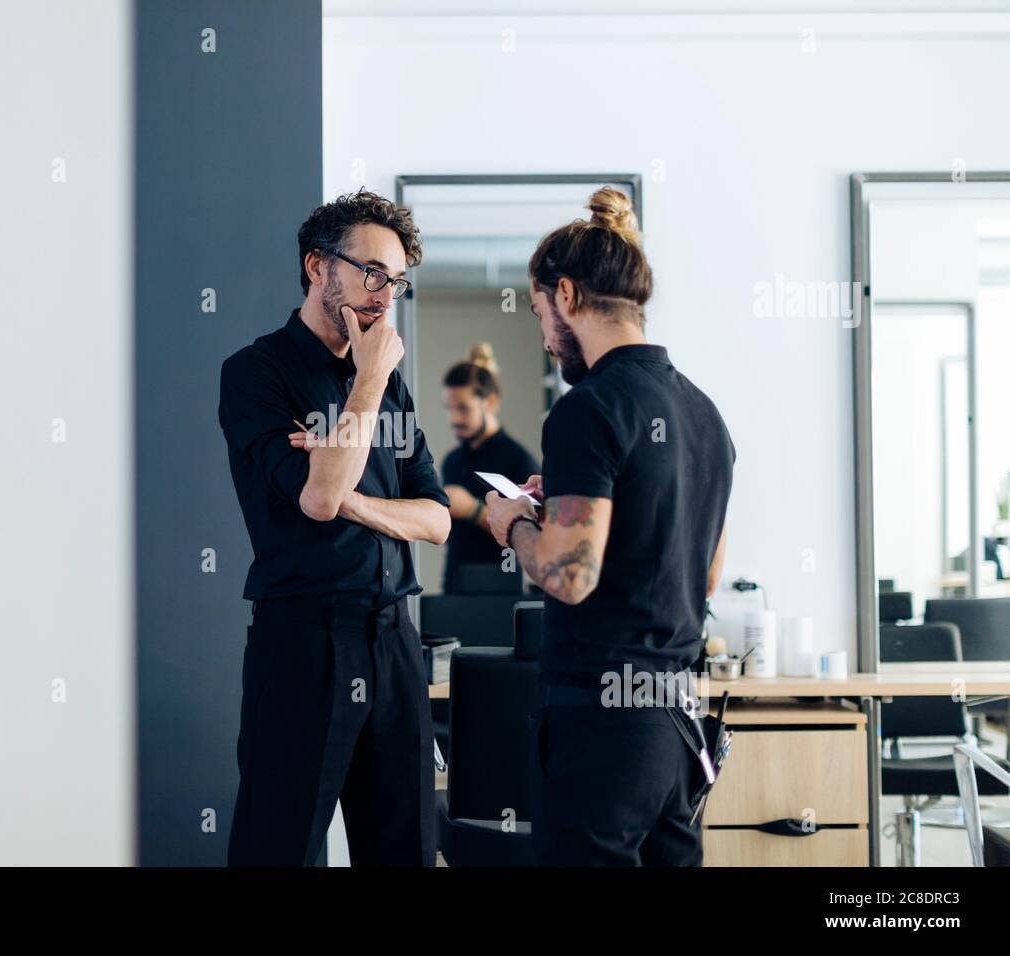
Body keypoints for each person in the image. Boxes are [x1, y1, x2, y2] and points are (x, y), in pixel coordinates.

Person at [482, 186, 735, 866]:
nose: (543, 336)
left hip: (602, 735)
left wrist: (510, 523)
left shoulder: (587, 409)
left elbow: (570, 574)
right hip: (676, 733)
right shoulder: (706, 415)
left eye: (539, 313)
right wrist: (559, 508)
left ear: (565, 294)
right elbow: (701, 571)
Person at [217, 189, 450, 867]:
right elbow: (316, 500)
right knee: (277, 849)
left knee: (405, 850)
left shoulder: (392, 389)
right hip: (303, 644)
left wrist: (352, 500)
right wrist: (370, 378)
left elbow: (434, 518)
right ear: (318, 266)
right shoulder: (256, 374)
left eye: (397, 280)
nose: (385, 295)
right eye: (372, 272)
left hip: (395, 643)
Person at [439, 344, 539, 592]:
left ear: (490, 402)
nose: (454, 419)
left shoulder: (519, 460)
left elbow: (536, 531)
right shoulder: (451, 461)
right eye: (450, 409)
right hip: (454, 585)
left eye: (463, 408)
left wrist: (472, 510)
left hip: (500, 589)